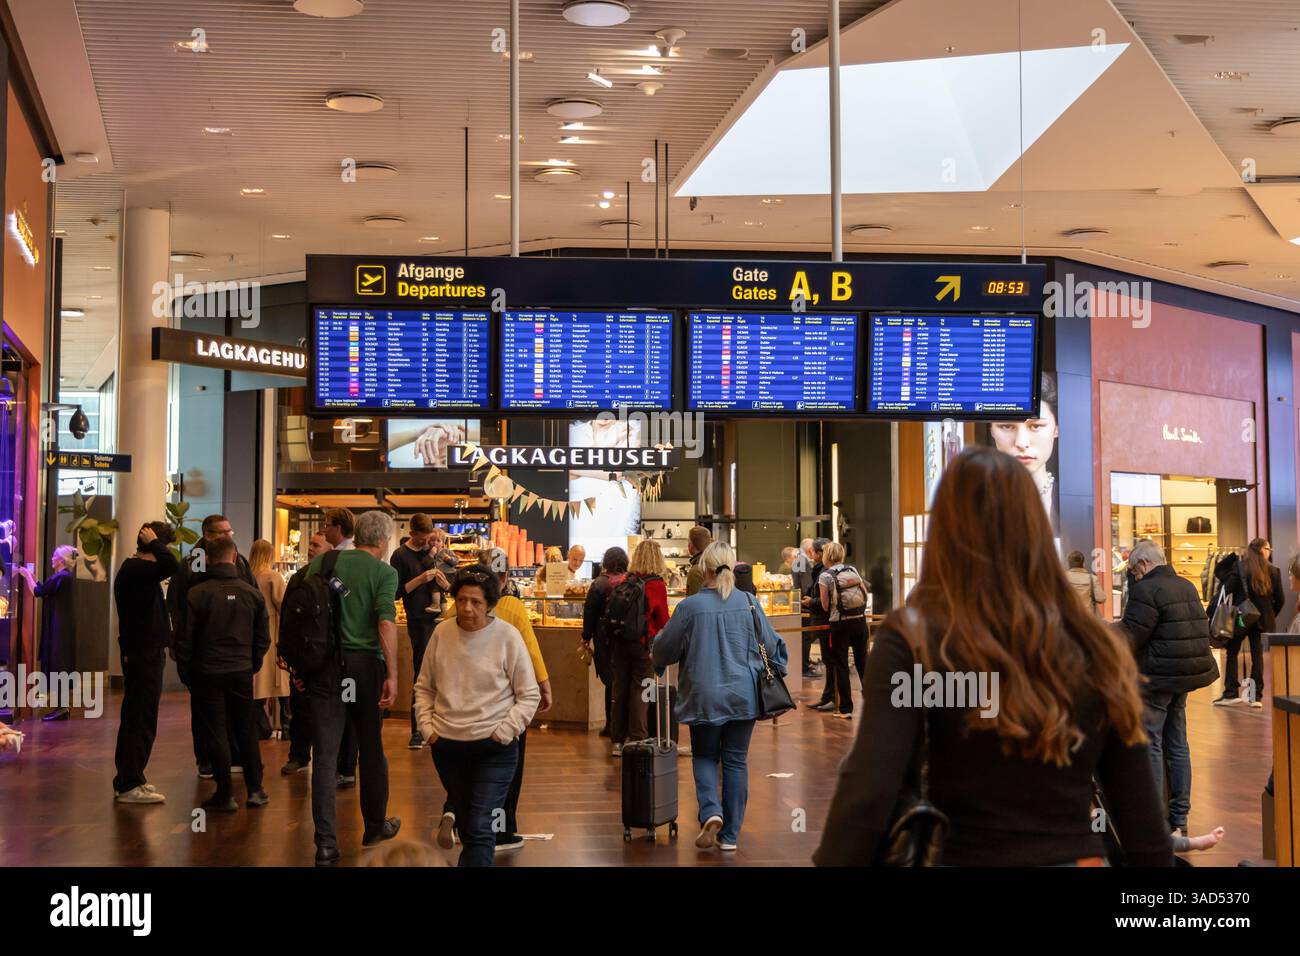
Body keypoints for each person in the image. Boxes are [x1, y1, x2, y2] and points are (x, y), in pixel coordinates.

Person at [815, 446, 1173, 866]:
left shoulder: (916, 640)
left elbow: (871, 787)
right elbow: (1142, 823)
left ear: (945, 531)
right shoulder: (1095, 646)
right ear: (1035, 528)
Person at [652, 541, 787, 852]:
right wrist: (780, 668)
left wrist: (657, 660)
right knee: (737, 761)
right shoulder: (750, 602)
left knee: (705, 756)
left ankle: (711, 811)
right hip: (745, 695)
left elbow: (664, 648)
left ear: (704, 569)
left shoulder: (689, 607)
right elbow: (774, 645)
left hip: (703, 694)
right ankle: (730, 837)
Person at [415, 566, 540, 867]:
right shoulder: (441, 633)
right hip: (447, 746)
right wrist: (427, 728)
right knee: (470, 825)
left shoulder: (507, 637)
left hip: (494, 747)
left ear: (490, 605)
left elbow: (529, 694)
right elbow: (424, 687)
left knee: (482, 824)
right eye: (461, 600)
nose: (467, 608)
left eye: (476, 602)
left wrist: (505, 731)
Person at [305, 509, 401, 866]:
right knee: (370, 748)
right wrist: (392, 674)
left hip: (326, 667)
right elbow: (386, 624)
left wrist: (303, 664)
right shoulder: (383, 572)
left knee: (325, 756)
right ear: (382, 540)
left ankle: (326, 844)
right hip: (363, 668)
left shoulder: (324, 564)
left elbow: (301, 610)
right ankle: (375, 825)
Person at [1122, 539, 1219, 838]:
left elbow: (1131, 636)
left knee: (1151, 742)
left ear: (1142, 565)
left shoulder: (1145, 590)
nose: (1135, 577)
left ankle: (1153, 821)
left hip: (1157, 679)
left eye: (1134, 571)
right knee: (1177, 744)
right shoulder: (1186, 585)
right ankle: (1180, 819)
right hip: (1185, 678)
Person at [176, 534, 271, 812]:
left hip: (208, 671)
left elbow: (185, 639)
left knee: (216, 730)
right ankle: (256, 789)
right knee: (246, 728)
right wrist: (252, 663)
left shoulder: (197, 594)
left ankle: (225, 793)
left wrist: (187, 672)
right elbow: (262, 637)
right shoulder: (251, 593)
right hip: (241, 669)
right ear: (234, 557)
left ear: (206, 559)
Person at [168, 514, 256, 778]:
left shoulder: (238, 559)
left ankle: (233, 756)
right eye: (222, 532)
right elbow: (178, 606)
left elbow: (252, 595)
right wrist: (182, 648)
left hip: (236, 647)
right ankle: (206, 759)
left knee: (234, 710)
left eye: (230, 531)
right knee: (205, 708)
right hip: (204, 649)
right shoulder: (193, 564)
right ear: (207, 535)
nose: (229, 536)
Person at [111, 522, 179, 804]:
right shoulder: (136, 570)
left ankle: (133, 777)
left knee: (142, 715)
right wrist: (155, 543)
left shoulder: (139, 572)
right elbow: (171, 565)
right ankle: (128, 783)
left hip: (146, 651)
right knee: (139, 716)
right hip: (142, 653)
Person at [390, 514, 452, 750]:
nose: (427, 542)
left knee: (443, 673)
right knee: (422, 674)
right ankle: (417, 730)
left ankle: (442, 726)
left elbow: (451, 573)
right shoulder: (400, 556)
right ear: (412, 533)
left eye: (429, 537)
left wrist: (446, 581)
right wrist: (421, 579)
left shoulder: (433, 549)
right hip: (419, 621)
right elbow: (396, 592)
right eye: (423, 538)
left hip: (442, 619)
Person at [605, 540, 670, 757]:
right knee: (641, 691)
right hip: (644, 648)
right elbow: (663, 622)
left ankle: (616, 741)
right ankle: (638, 739)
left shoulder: (625, 581)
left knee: (619, 690)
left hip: (620, 644)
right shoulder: (657, 585)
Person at [281, 532, 328, 775]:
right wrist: (289, 658)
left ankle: (333, 763)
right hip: (303, 654)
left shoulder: (335, 579)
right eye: (310, 544)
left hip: (327, 656)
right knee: (300, 708)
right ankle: (298, 755)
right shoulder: (299, 578)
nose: (310, 548)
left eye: (316, 545)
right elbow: (288, 618)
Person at [1217, 538, 1284, 708]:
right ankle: (1255, 697)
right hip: (1262, 620)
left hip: (1241, 618)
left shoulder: (1240, 567)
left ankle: (1231, 693)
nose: (1270, 551)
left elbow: (1227, 589)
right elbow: (1280, 600)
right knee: (1257, 656)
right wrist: (1269, 614)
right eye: (1269, 548)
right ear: (1263, 550)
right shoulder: (1274, 571)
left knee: (1232, 652)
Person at [990, 372, 1059, 534]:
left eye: (1036, 426)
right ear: (992, 430)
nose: (1021, 442)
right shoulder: (971, 506)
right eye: (1007, 426)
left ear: (1056, 429)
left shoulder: (1071, 506)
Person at [15, 544, 78, 720]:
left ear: (60, 560)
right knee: (61, 664)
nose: (51, 558)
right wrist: (31, 576)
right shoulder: (64, 577)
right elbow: (44, 588)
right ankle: (62, 707)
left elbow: (37, 591)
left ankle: (62, 708)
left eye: (54, 556)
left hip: (59, 628)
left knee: (59, 664)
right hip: (63, 628)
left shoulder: (62, 577)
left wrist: (26, 573)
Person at [817, 541, 869, 719]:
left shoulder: (825, 576)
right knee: (863, 663)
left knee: (841, 665)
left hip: (840, 624)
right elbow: (864, 592)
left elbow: (825, 605)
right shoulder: (852, 570)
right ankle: (873, 704)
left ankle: (846, 709)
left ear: (826, 556)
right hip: (860, 621)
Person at [582, 546, 628, 741]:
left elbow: (590, 612)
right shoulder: (631, 582)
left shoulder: (599, 584)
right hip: (626, 639)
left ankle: (611, 725)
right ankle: (627, 725)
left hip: (605, 639)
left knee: (610, 682)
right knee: (626, 681)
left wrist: (586, 637)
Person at [248, 539, 290, 737]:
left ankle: (260, 726)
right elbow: (283, 604)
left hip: (252, 631)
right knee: (280, 680)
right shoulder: (273, 577)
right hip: (273, 629)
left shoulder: (248, 576)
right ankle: (286, 725)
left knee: (258, 681)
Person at [803, 538, 835, 710]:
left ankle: (832, 697)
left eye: (814, 552)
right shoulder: (821, 571)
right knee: (829, 660)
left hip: (828, 622)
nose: (811, 555)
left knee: (832, 661)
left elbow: (825, 603)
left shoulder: (825, 573)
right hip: (826, 621)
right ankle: (828, 696)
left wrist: (811, 602)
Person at [792, 538, 819, 679]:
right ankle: (804, 667)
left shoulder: (797, 560)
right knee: (806, 637)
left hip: (799, 603)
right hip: (805, 605)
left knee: (805, 637)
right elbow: (806, 585)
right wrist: (811, 599)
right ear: (810, 550)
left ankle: (804, 664)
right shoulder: (803, 561)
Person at [1066, 550, 1106, 616]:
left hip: (1068, 618)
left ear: (1069, 563)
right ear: (1083, 563)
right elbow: (1101, 598)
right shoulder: (1092, 578)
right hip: (1087, 618)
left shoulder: (1063, 577)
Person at [684, 527, 711, 596]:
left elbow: (693, 603)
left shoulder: (695, 571)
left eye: (689, 542)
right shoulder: (711, 564)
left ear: (691, 545)